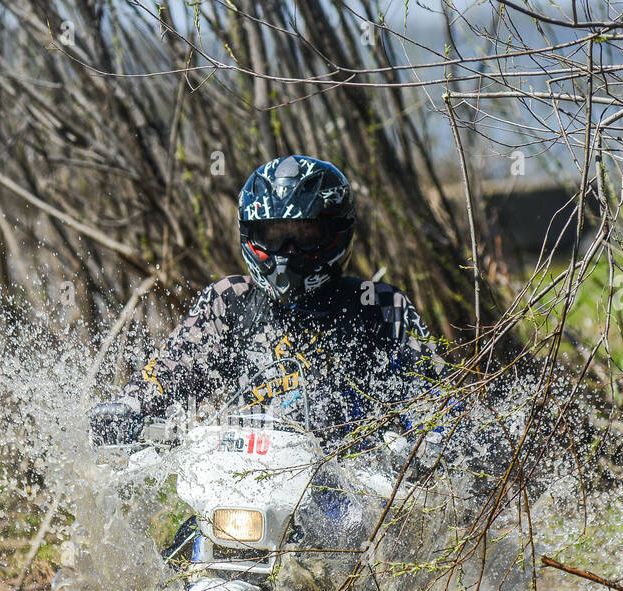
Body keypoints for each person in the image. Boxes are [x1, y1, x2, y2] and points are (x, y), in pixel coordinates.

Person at [88, 155, 448, 450]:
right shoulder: (230, 301)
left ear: (337, 232)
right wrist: (130, 407)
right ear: (251, 234)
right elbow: (168, 370)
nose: (288, 253)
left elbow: (439, 402)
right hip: (246, 483)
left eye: (305, 233)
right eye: (274, 235)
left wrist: (437, 441)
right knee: (187, 540)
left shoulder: (380, 307)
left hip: (353, 491)